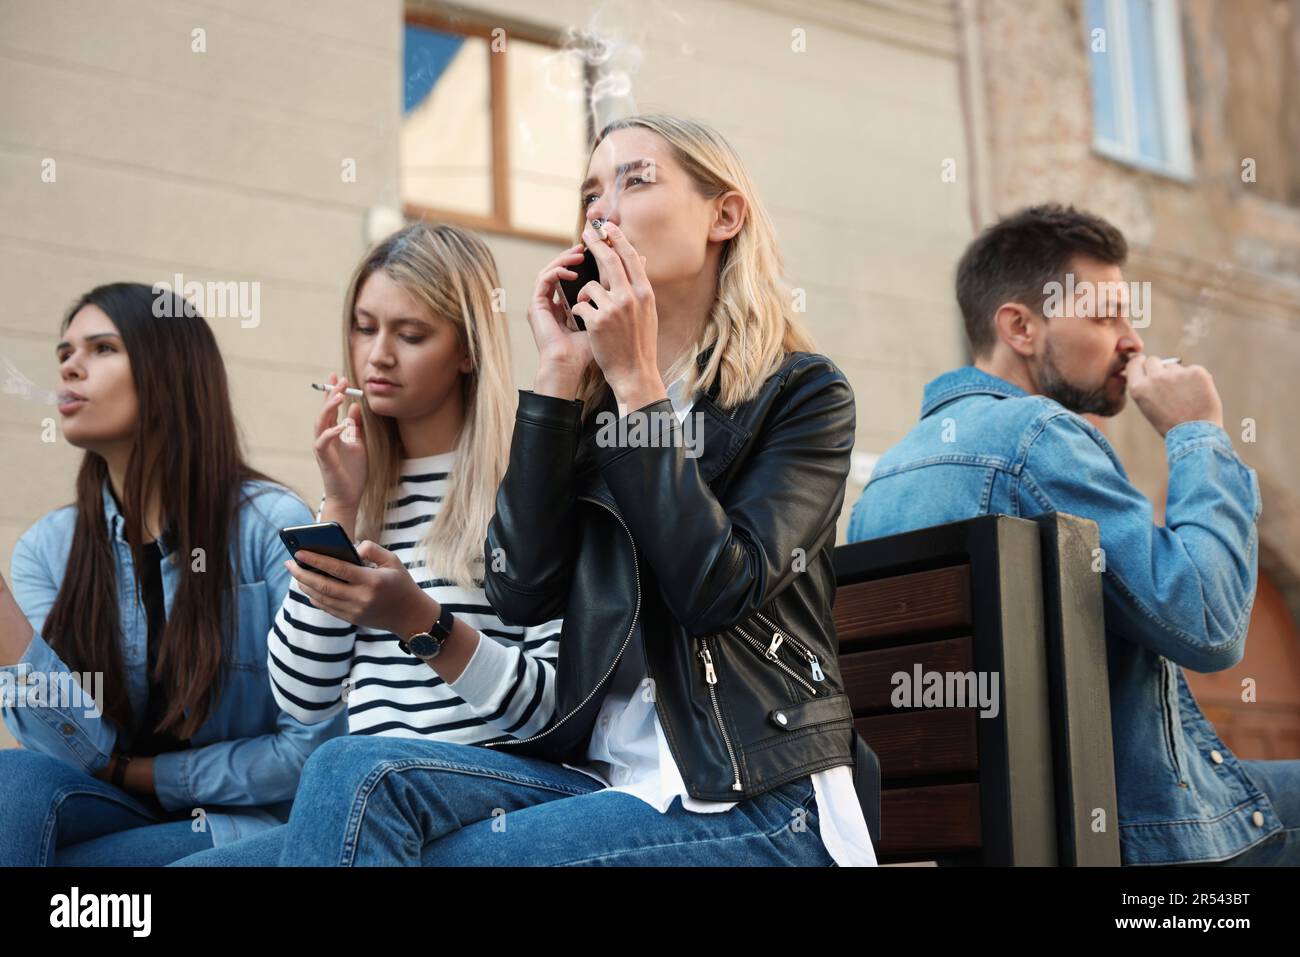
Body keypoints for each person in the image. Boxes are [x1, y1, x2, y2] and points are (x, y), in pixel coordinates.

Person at [269, 113, 877, 866]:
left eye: (635, 179)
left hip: (756, 798)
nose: (602, 208)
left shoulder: (801, 394)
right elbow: (521, 589)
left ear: (725, 215)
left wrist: (635, 381)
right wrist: (557, 375)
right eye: (591, 191)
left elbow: (715, 588)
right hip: (605, 783)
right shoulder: (589, 410)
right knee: (351, 769)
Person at [847, 204, 1297, 866]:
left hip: (1009, 839)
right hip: (1132, 838)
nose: (1132, 340)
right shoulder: (1039, 437)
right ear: (1020, 326)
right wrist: (1197, 432)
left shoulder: (886, 477)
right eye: (1105, 315)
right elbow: (1208, 623)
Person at [173, 223, 561, 866]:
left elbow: (546, 708)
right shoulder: (356, 492)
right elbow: (304, 696)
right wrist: (341, 505)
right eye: (363, 327)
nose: (378, 354)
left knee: (356, 766)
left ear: (468, 350)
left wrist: (419, 621)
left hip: (502, 783)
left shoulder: (529, 484)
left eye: (410, 335)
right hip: (368, 796)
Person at [0, 282, 345, 866]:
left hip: (245, 822)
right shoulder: (47, 549)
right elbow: (73, 753)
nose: (70, 369)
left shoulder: (269, 526)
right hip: (111, 803)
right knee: (14, 779)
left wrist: (142, 773)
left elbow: (310, 749)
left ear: (171, 373)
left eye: (101, 349)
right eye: (64, 354)